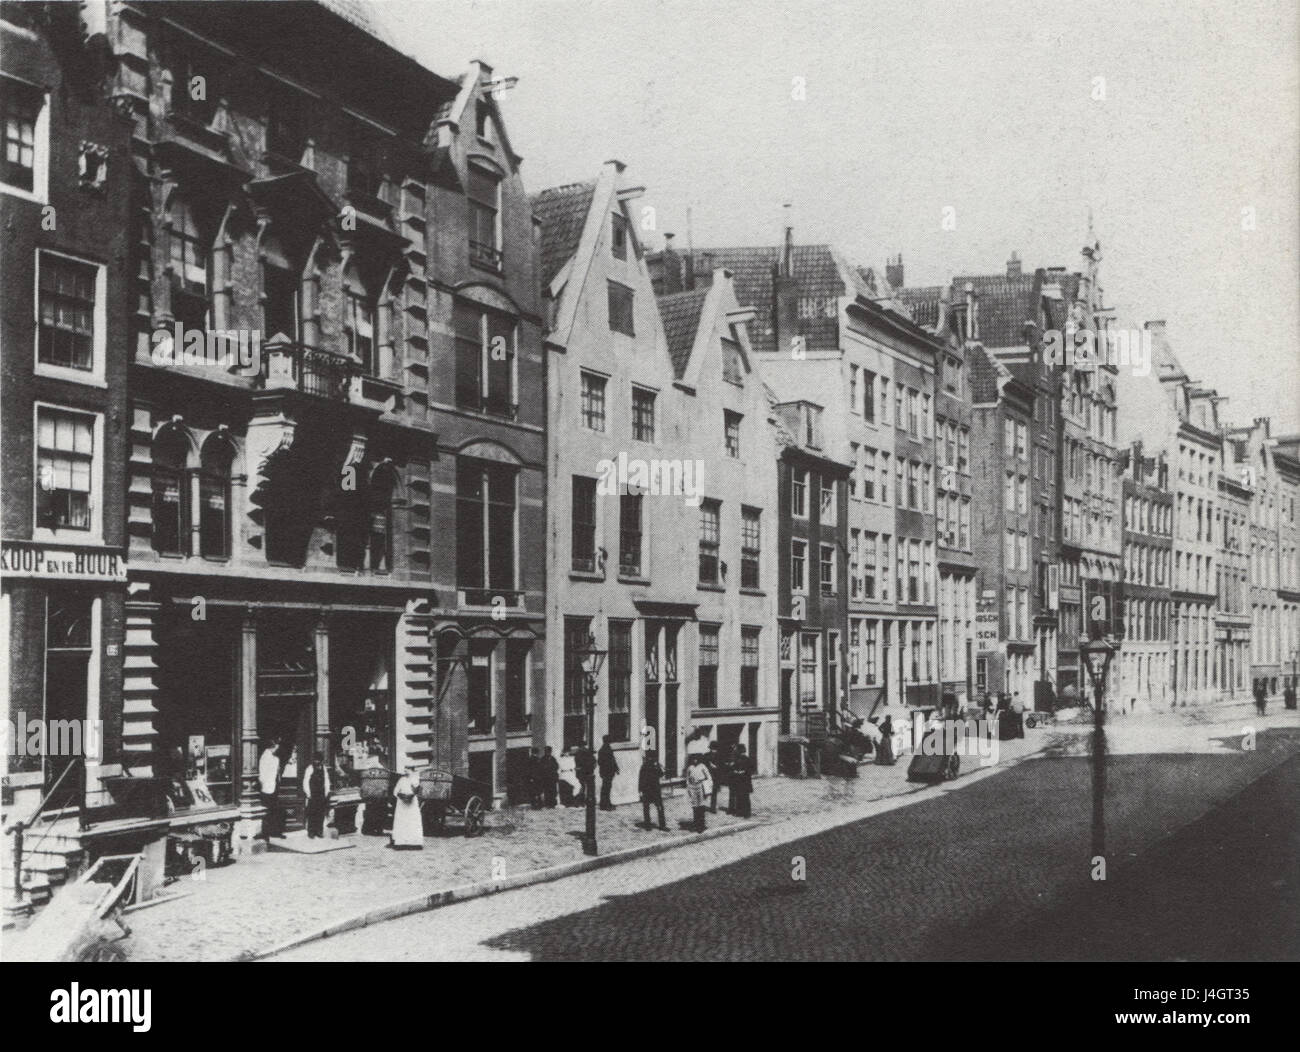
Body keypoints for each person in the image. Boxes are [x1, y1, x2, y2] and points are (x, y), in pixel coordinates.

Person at [390, 764, 423, 849]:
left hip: (412, 804)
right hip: (402, 804)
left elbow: (416, 790)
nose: (405, 771)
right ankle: (401, 841)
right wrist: (400, 795)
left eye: (407, 769)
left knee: (412, 821)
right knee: (402, 822)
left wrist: (411, 793)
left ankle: (414, 842)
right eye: (405, 770)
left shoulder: (415, 779)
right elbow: (395, 791)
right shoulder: (402, 779)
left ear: (411, 770)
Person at [258, 737, 284, 840]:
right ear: (272, 747)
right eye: (276, 747)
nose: (278, 749)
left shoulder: (274, 758)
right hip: (267, 788)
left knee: (274, 811)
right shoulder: (265, 757)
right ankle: (266, 834)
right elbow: (262, 774)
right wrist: (264, 785)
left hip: (274, 787)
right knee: (267, 811)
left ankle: (274, 831)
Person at [303, 751, 331, 839]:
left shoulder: (324, 768)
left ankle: (319, 831)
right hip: (313, 794)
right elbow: (306, 781)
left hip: (321, 794)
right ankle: (311, 831)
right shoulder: (310, 768)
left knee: (320, 813)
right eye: (316, 760)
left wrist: (327, 791)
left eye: (319, 760)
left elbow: (326, 781)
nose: (317, 762)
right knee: (312, 813)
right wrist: (308, 793)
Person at [638, 749, 667, 830]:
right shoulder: (645, 766)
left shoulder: (655, 765)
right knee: (647, 807)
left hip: (655, 789)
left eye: (652, 757)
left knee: (659, 807)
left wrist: (661, 768)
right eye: (650, 757)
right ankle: (648, 825)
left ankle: (662, 825)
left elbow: (661, 774)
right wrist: (640, 790)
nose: (651, 759)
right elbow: (641, 779)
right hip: (647, 790)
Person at [685, 754, 713, 832]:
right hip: (693, 787)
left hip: (701, 787)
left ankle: (701, 825)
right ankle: (696, 824)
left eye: (697, 759)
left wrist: (708, 786)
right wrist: (688, 788)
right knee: (695, 806)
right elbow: (687, 779)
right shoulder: (690, 768)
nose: (695, 761)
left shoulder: (702, 766)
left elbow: (709, 777)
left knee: (701, 806)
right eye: (694, 759)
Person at [728, 744, 754, 818]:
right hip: (739, 780)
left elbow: (751, 769)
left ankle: (746, 813)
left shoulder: (747, 759)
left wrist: (744, 771)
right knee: (739, 797)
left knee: (745, 797)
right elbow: (733, 768)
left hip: (745, 781)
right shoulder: (738, 759)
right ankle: (740, 812)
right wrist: (735, 771)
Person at [597, 735, 619, 811]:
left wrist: (616, 768)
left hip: (607, 772)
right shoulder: (604, 750)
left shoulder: (605, 749)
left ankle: (606, 803)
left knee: (606, 788)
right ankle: (604, 805)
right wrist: (613, 768)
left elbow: (612, 760)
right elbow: (602, 762)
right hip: (607, 772)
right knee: (606, 788)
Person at [706, 741, 725, 814]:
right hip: (708, 776)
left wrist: (716, 767)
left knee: (714, 793)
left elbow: (722, 767)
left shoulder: (719, 756)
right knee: (707, 792)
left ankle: (713, 808)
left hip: (716, 777)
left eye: (714, 749)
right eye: (711, 748)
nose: (712, 750)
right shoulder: (706, 755)